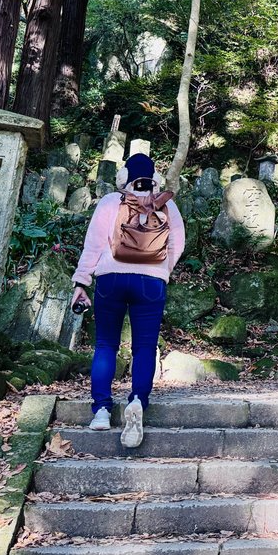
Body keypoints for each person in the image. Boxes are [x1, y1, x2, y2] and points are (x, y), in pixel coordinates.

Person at [70, 153, 185, 448]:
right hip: (151, 283)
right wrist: (162, 271)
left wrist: (82, 281)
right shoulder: (166, 203)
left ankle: (102, 411)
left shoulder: (111, 201)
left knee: (106, 345)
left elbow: (94, 243)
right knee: (145, 347)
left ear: (124, 177)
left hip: (111, 278)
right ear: (154, 178)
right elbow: (177, 243)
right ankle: (137, 401)